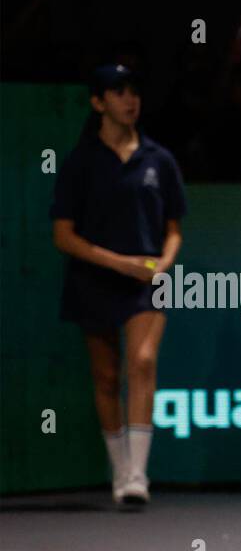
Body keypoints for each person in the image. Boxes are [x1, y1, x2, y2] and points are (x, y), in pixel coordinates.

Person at [50, 64, 186, 506]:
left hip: (147, 283)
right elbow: (64, 236)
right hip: (95, 279)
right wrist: (118, 263)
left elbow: (174, 228)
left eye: (134, 92)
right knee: (107, 377)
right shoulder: (79, 162)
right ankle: (120, 470)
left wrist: (162, 263)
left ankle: (138, 476)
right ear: (98, 102)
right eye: (118, 92)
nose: (130, 100)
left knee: (143, 361)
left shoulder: (159, 160)